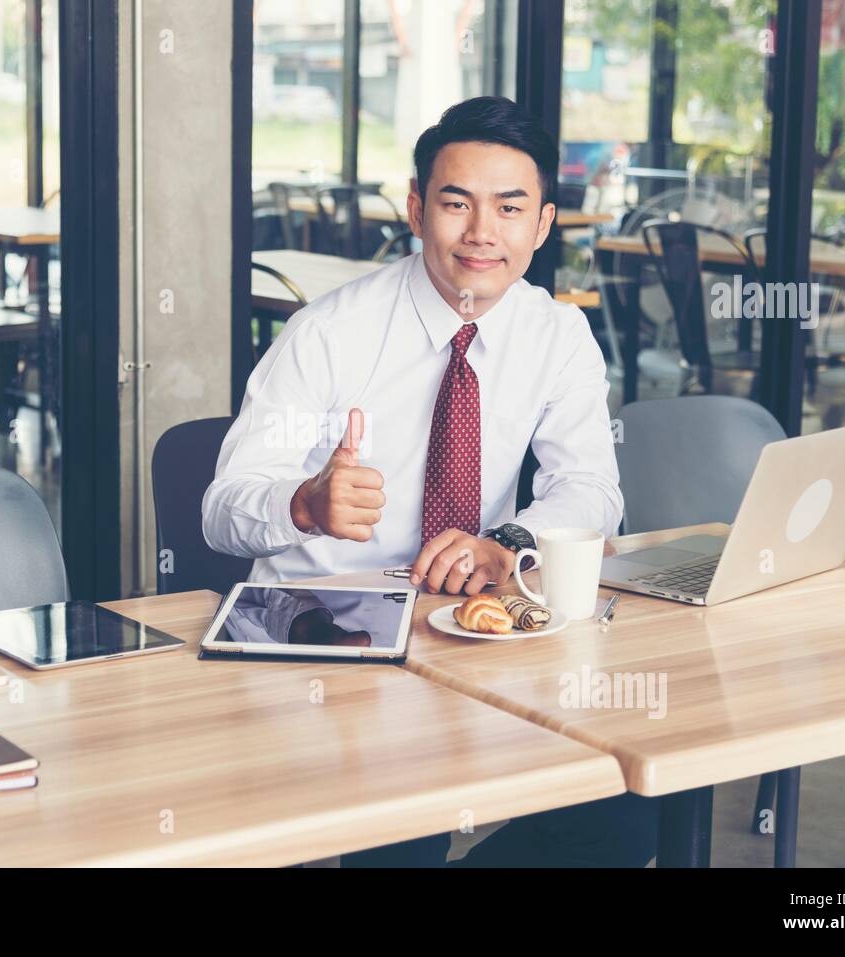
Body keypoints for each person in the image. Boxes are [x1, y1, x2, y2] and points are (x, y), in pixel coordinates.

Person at [203, 95, 656, 867]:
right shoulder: (328, 333)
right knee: (401, 818)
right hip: (325, 629)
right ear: (417, 211)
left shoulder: (557, 335)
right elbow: (222, 509)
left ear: (544, 225)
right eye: (457, 204)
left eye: (510, 208)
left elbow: (593, 492)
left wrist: (505, 545)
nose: (483, 233)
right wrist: (303, 504)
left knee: (635, 801)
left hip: (468, 632)